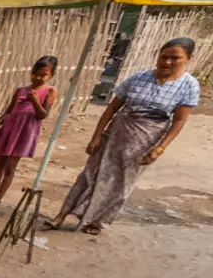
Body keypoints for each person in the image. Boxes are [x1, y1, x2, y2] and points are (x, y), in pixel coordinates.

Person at [47, 38, 199, 236]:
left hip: (145, 140)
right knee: (90, 173)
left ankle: (97, 221)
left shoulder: (189, 86)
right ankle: (62, 214)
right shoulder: (138, 78)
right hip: (116, 132)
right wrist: (96, 137)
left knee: (121, 182)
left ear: (188, 58)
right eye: (164, 56)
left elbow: (178, 121)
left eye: (175, 58)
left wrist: (160, 148)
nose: (168, 62)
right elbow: (112, 108)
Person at [0, 56, 57, 216]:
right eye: (35, 74)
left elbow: (43, 115)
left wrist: (35, 100)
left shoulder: (50, 91)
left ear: (51, 75)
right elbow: (9, 109)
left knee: (10, 167)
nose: (37, 77)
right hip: (9, 128)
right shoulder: (21, 90)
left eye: (43, 75)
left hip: (25, 131)